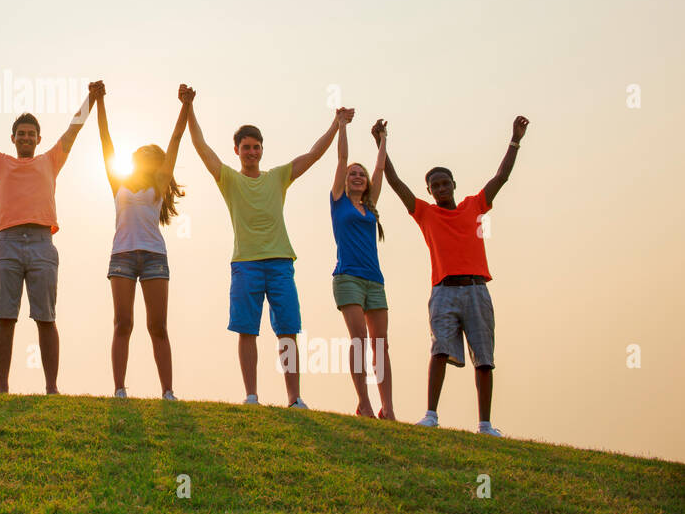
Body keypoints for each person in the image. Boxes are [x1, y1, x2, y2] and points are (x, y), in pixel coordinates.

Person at [185, 86, 353, 407]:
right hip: (246, 264)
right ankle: (251, 396)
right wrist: (190, 107)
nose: (252, 152)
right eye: (246, 147)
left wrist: (336, 124)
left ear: (262, 150)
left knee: (287, 330)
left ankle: (294, 398)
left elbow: (314, 155)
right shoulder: (229, 180)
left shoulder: (278, 177)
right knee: (247, 331)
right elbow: (201, 146)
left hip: (279, 263)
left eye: (256, 147)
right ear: (236, 150)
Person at [375, 116, 529, 436]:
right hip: (444, 290)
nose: (442, 188)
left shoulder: (474, 206)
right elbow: (394, 181)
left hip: (476, 289)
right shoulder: (426, 213)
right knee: (439, 350)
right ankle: (431, 414)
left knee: (484, 358)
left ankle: (485, 424)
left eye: (446, 183)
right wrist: (381, 143)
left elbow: (501, 176)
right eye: (435, 186)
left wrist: (515, 140)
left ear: (454, 185)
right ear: (430, 192)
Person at [0, 85, 98, 394]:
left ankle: (51, 387)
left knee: (46, 317)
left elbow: (74, 127)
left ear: (38, 139)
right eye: (21, 133)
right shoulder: (0, 162)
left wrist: (92, 99)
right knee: (5, 316)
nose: (26, 137)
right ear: (14, 138)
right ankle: (2, 386)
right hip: (7, 242)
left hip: (43, 242)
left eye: (31, 133)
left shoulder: (50, 160)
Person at [91, 80, 188, 400]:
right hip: (121, 255)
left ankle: (168, 391)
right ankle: (119, 389)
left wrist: (185, 105)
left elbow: (175, 140)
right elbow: (105, 139)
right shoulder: (116, 180)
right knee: (123, 323)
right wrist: (99, 101)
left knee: (157, 326)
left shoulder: (159, 183)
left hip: (154, 257)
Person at [329, 110, 394, 419]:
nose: (356, 176)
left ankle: (388, 409)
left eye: (361, 174)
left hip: (374, 280)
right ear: (345, 180)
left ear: (366, 183)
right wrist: (342, 126)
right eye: (352, 173)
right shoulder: (339, 201)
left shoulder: (370, 206)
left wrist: (382, 140)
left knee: (381, 346)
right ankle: (364, 404)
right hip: (348, 278)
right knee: (359, 340)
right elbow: (341, 158)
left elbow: (380, 167)